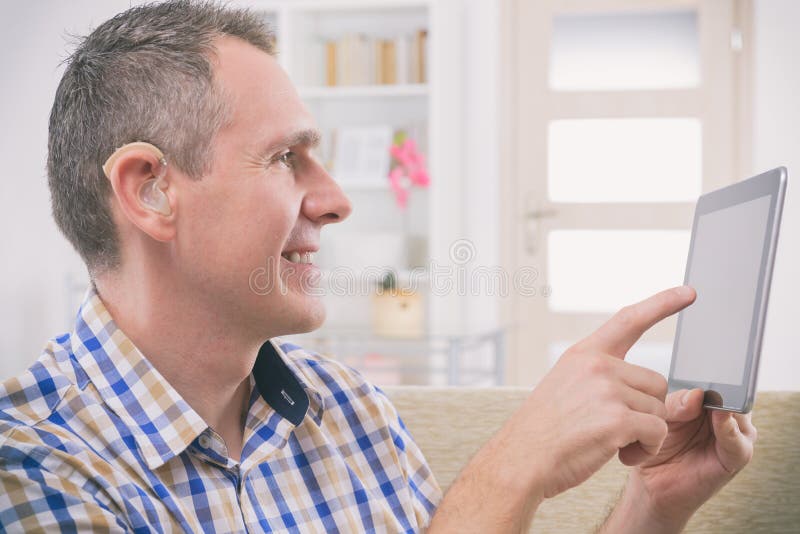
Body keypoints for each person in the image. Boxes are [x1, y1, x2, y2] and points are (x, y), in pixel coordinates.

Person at [0, 1, 755, 532]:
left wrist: (652, 507)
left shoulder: (350, 411)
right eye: (286, 158)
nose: (333, 200)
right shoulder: (33, 469)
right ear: (152, 189)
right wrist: (510, 467)